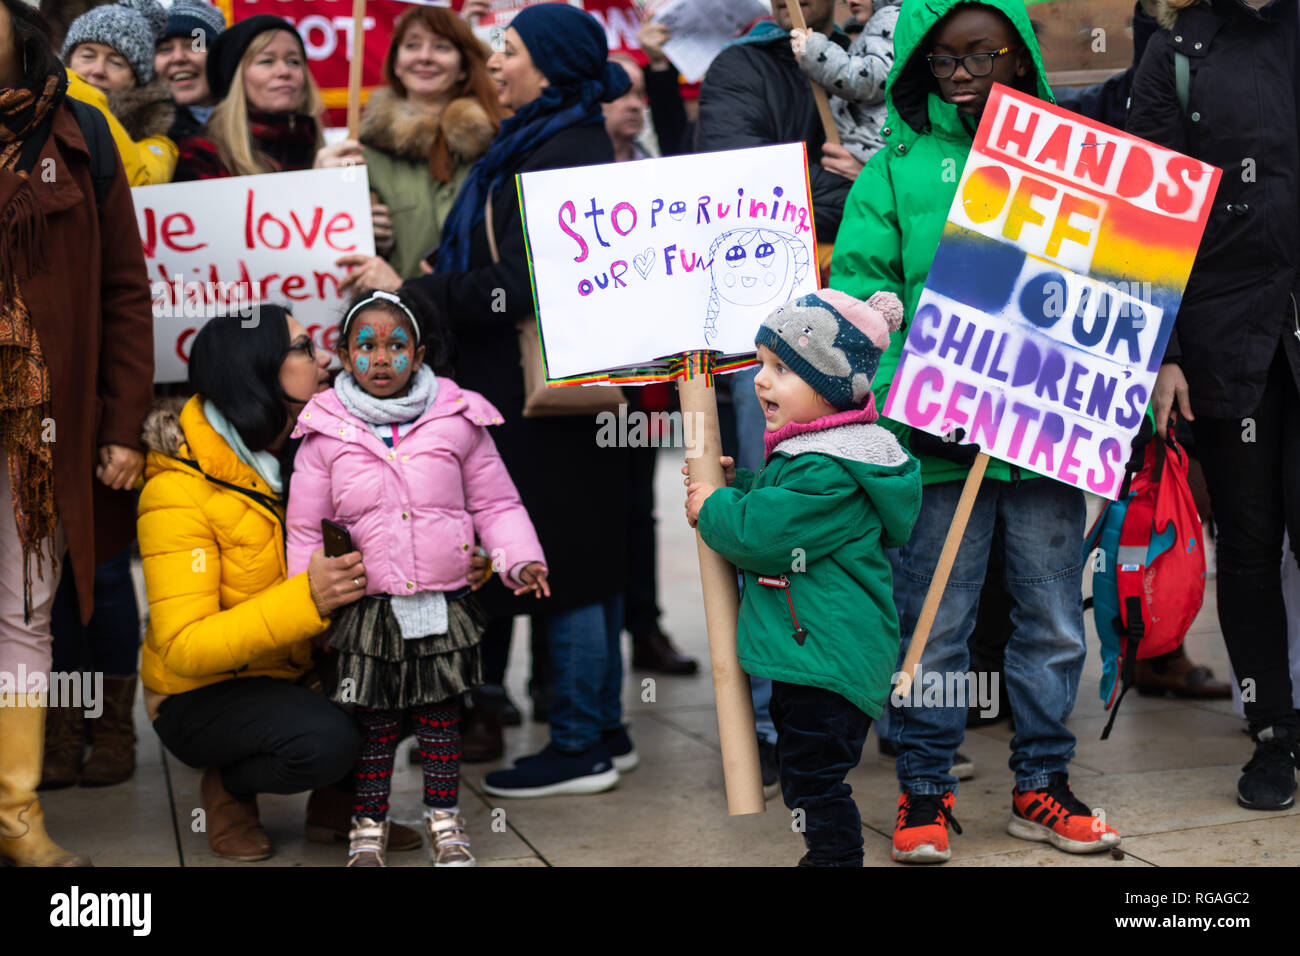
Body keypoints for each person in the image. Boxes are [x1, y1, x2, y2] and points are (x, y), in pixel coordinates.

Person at [831, 0, 1122, 863]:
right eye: (942, 60)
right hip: (935, 446)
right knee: (937, 622)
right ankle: (925, 787)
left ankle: (1042, 781)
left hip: (1044, 441)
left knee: (1052, 620)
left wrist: (1109, 400)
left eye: (982, 55)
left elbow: (1116, 286)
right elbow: (860, 301)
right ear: (919, 66)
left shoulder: (1077, 168)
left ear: (1020, 56)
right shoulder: (893, 171)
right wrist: (913, 399)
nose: (963, 74)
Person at [401, 2, 636, 797]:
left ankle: (577, 746)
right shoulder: (544, 139)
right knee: (591, 559)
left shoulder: (559, 152)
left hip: (544, 400)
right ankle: (604, 727)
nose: (493, 63)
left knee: (566, 562)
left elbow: (525, 287)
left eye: (507, 50)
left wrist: (427, 289)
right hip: (549, 395)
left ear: (549, 63)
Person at [286, 288, 549, 866]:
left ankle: (444, 822)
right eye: (367, 346)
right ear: (345, 353)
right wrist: (306, 602)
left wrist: (517, 558)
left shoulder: (458, 417)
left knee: (440, 721)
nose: (382, 359)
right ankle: (367, 826)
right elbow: (305, 528)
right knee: (375, 723)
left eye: (397, 346)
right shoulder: (326, 428)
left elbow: (497, 503)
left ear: (421, 353)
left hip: (440, 603)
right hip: (368, 607)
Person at [1127, 0, 1300, 810]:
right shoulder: (1177, 51)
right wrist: (1162, 353)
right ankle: (1272, 733)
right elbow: (1148, 214)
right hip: (1227, 339)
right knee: (1251, 542)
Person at [686, 289, 922, 866]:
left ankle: (835, 860)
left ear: (834, 386)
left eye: (783, 369)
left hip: (828, 664)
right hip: (812, 657)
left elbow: (765, 538)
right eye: (762, 365)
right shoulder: (814, 456)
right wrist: (739, 486)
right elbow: (777, 509)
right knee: (805, 779)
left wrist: (714, 508)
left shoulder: (830, 467)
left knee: (814, 784)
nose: (761, 382)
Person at [0, 0, 153, 866]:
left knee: (26, 611)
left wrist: (122, 424)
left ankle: (17, 814)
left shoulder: (80, 133)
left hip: (39, 424)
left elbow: (125, 294)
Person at [696, 0, 860, 796]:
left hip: (880, 325)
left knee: (872, 522)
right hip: (771, 335)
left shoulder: (907, 59)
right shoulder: (745, 70)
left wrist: (856, 184)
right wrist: (852, 194)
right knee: (776, 519)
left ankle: (871, 706)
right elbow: (744, 208)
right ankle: (772, 720)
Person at [138, 308, 370, 862]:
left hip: (294, 665)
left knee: (424, 668)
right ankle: (231, 787)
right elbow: (184, 647)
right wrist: (308, 599)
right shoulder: (177, 489)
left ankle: (340, 811)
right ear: (258, 371)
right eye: (304, 347)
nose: (326, 359)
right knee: (326, 742)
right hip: (199, 696)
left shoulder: (314, 451)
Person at [315, 5, 500, 281]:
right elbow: (335, 256)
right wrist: (348, 217)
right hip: (400, 317)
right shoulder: (361, 153)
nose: (425, 57)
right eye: (413, 45)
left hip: (487, 310)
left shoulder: (498, 144)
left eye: (441, 47)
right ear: (397, 64)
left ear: (463, 67)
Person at [172, 14, 323, 180]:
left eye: (293, 61)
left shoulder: (319, 149)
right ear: (236, 80)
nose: (284, 71)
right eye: (267, 61)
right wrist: (317, 182)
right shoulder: (201, 156)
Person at [61, 0, 177, 184]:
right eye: (87, 56)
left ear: (136, 80)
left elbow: (138, 179)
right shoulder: (35, 113)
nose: (98, 70)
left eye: (116, 62)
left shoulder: (157, 141)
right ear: (69, 62)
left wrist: (76, 89)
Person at [790, 0, 903, 166]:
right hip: (868, 148)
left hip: (873, 148)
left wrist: (814, 52)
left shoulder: (890, 16)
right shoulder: (874, 25)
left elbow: (872, 80)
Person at [153, 0, 223, 143]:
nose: (178, 58)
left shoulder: (262, 126)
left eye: (194, 46)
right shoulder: (134, 134)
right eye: (165, 49)